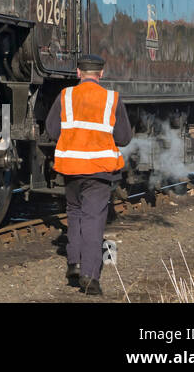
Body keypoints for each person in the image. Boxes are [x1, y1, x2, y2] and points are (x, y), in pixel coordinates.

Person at [44, 54, 132, 296]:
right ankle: (90, 277)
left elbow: (51, 130)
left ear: (78, 72)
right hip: (100, 171)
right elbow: (124, 138)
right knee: (93, 219)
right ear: (101, 74)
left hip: (71, 169)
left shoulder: (65, 96)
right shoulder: (112, 99)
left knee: (74, 212)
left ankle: (73, 263)